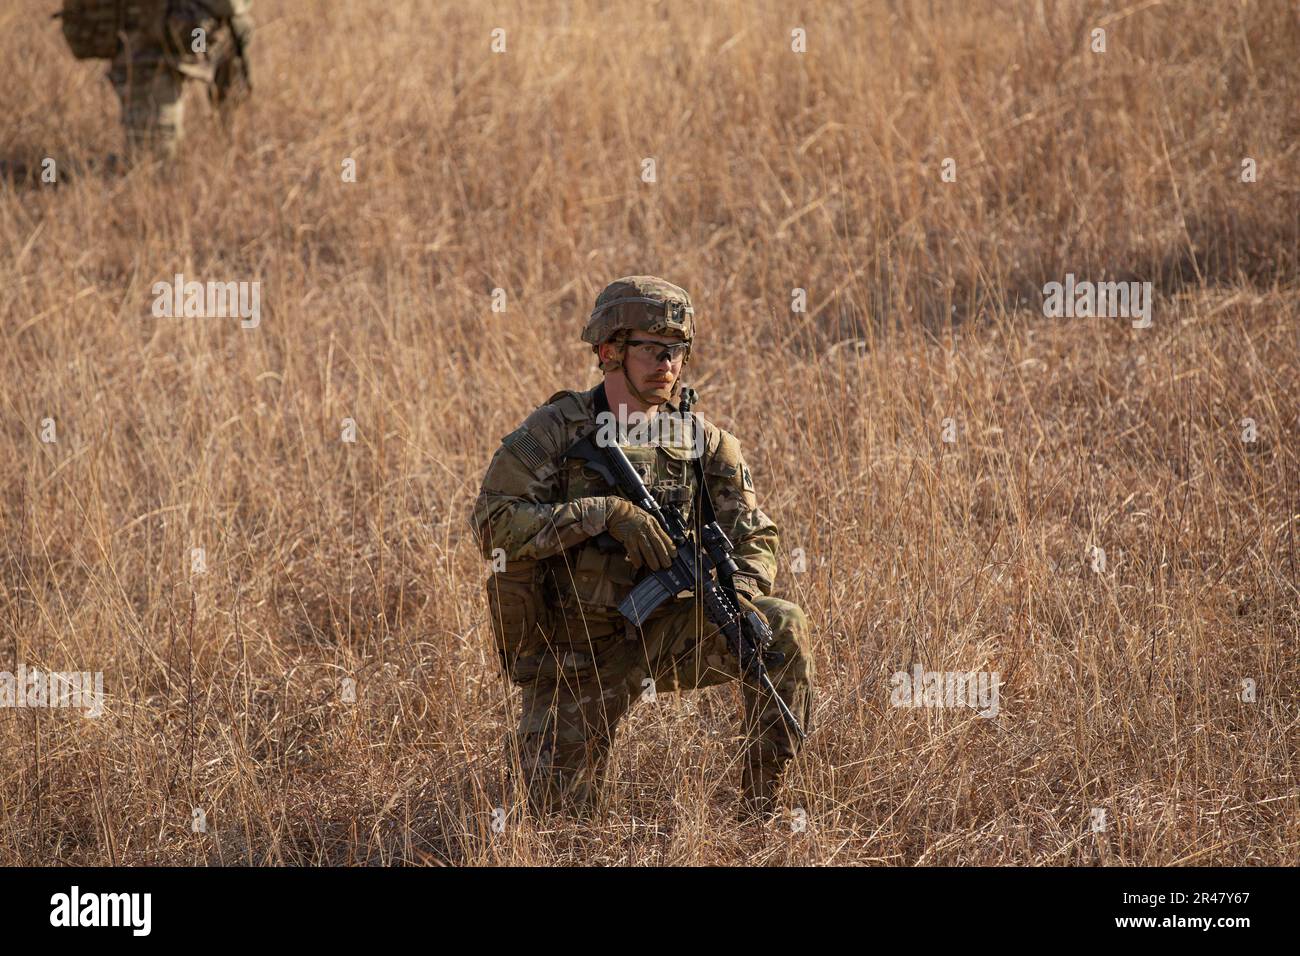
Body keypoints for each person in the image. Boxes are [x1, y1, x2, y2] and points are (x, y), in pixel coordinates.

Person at [470, 276, 814, 819]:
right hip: (576, 652)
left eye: (678, 350)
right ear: (610, 352)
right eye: (654, 349)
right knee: (556, 824)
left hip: (667, 631)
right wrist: (601, 514)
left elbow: (755, 533)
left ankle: (761, 811)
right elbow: (493, 524)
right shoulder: (556, 432)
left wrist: (743, 588)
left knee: (780, 628)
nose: (669, 363)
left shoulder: (703, 441)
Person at [59, 1, 253, 160]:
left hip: (165, 41)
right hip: (146, 55)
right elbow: (229, 4)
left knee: (236, 27)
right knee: (154, 164)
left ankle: (229, 133)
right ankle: (48, 175)